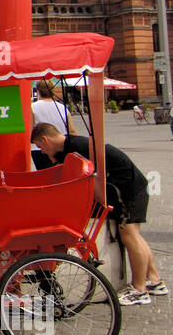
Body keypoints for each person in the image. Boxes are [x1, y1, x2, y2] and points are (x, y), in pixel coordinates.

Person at [30, 123, 162, 305]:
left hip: (126, 190)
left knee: (130, 237)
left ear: (45, 139)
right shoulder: (70, 146)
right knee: (135, 236)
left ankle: (139, 289)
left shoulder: (79, 148)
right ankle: (154, 280)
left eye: (40, 146)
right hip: (131, 185)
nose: (42, 151)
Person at [30, 81, 72, 169]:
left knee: (44, 177)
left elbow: (30, 129)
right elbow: (71, 130)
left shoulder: (33, 107)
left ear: (38, 91)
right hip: (60, 147)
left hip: (39, 148)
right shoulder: (62, 107)